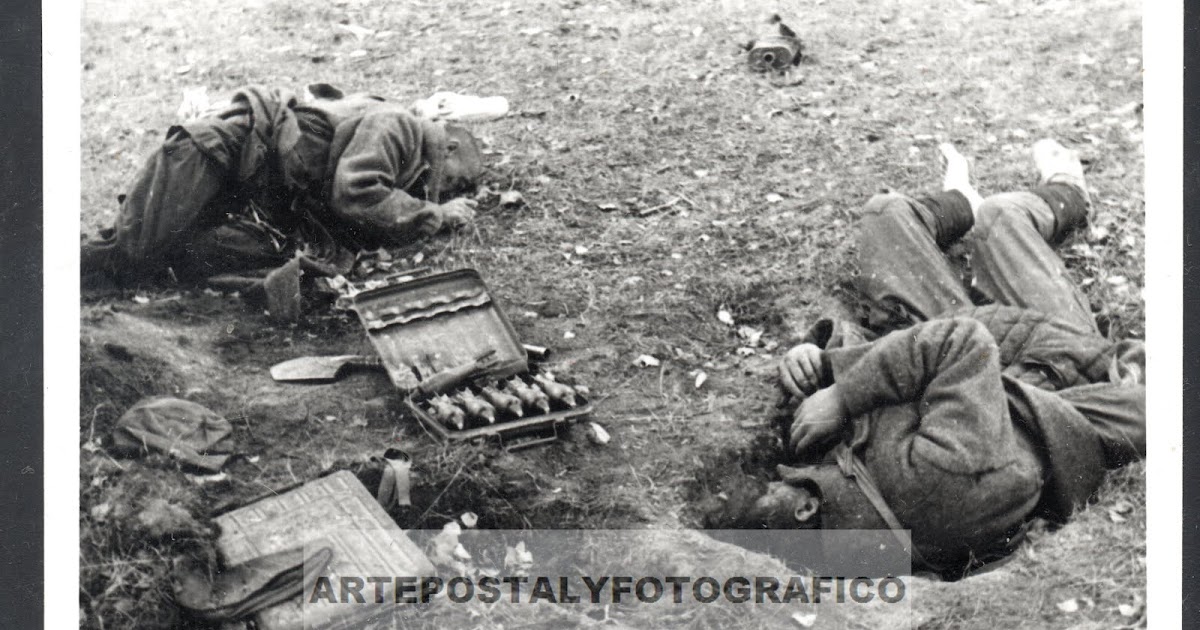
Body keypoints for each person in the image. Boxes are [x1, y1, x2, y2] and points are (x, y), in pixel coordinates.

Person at [730, 140, 1145, 577]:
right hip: (1048, 354)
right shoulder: (935, 482)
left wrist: (816, 359)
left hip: (955, 356)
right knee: (1000, 220)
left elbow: (881, 408)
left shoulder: (860, 516)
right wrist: (843, 395)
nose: (777, 478)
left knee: (884, 215)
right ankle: (1067, 191)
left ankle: (961, 200)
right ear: (804, 509)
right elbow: (965, 342)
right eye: (772, 492)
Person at [81, 83, 484, 285]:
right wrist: (434, 213)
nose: (445, 188)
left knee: (178, 257)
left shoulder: (405, 148)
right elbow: (355, 193)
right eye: (453, 180)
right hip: (214, 151)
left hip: (246, 181)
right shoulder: (400, 126)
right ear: (445, 147)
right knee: (130, 251)